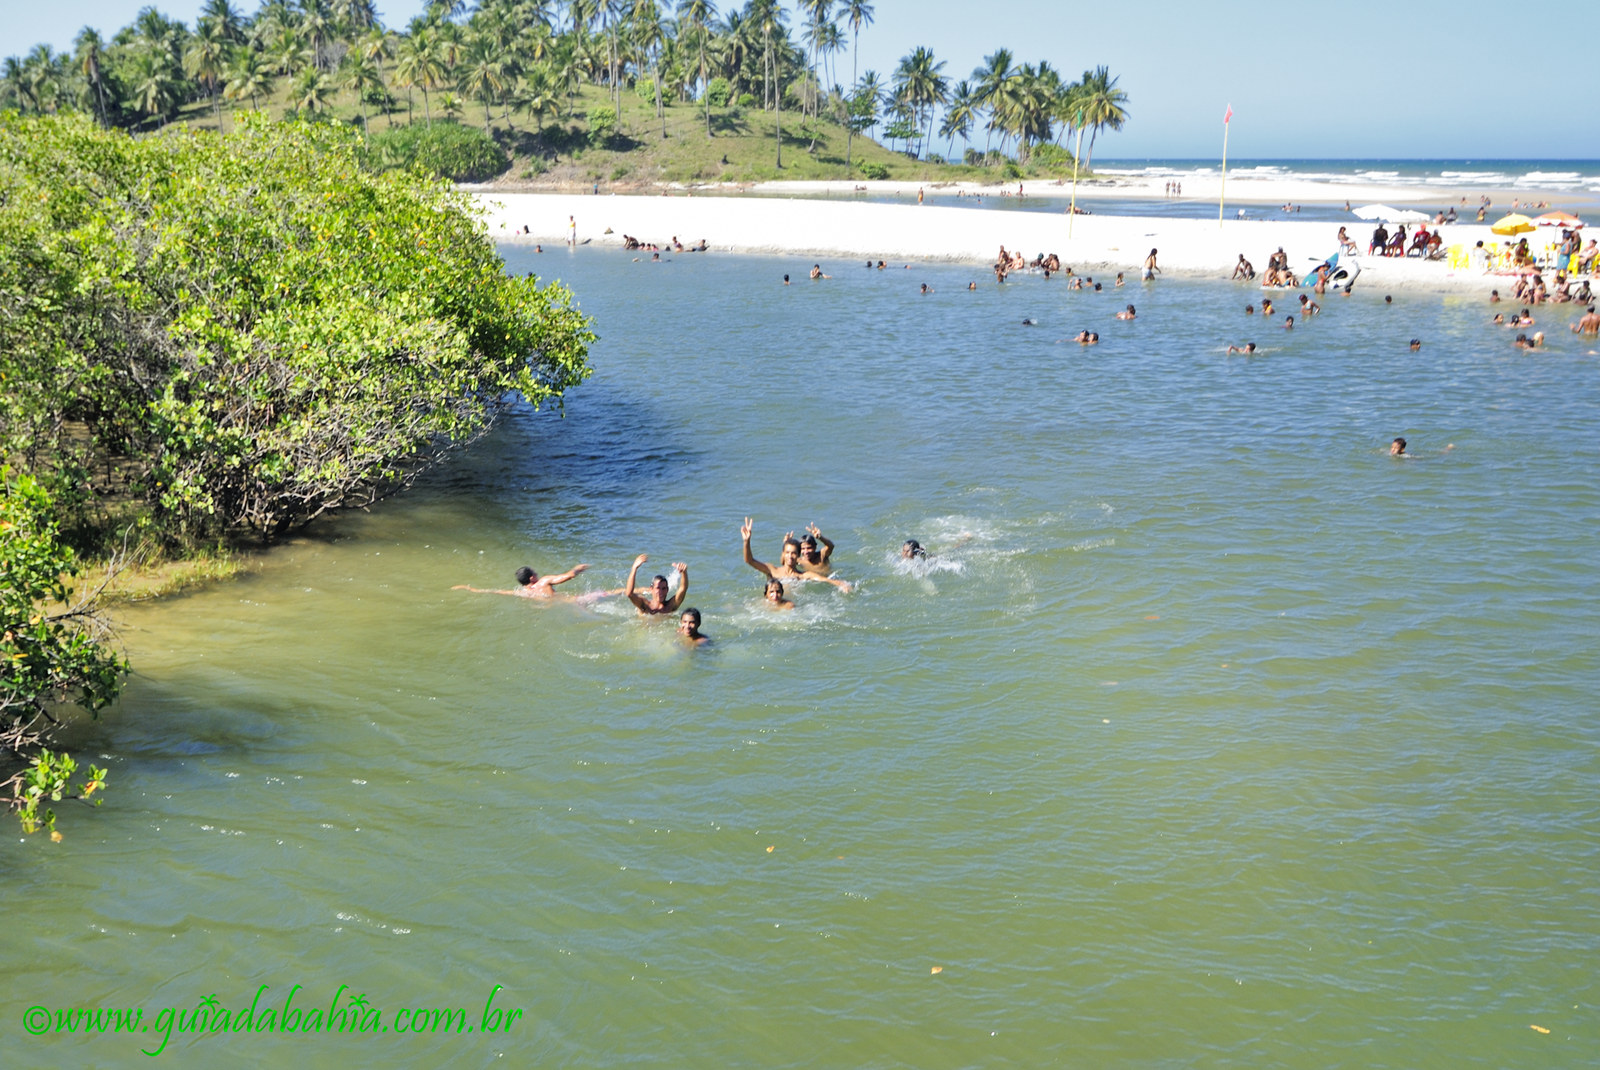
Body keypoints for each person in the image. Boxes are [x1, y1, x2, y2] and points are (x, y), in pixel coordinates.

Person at [741, 518, 851, 588]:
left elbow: (825, 579)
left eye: (793, 553)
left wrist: (842, 584)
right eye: (787, 552)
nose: (790, 556)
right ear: (783, 553)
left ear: (798, 556)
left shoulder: (803, 575)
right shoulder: (772, 570)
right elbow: (749, 560)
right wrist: (747, 541)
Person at [452, 563, 593, 600]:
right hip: (572, 601)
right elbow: (567, 576)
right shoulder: (544, 582)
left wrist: (470, 589)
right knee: (609, 593)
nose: (537, 573)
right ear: (532, 578)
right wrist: (577, 569)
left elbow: (496, 591)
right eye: (535, 573)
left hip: (560, 608)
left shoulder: (523, 593)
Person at [624, 554, 689, 616]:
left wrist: (684, 573)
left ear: (667, 590)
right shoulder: (645, 605)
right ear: (651, 589)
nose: (661, 592)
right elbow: (629, 594)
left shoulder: (670, 606)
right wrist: (634, 568)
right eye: (658, 588)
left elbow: (683, 589)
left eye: (663, 588)